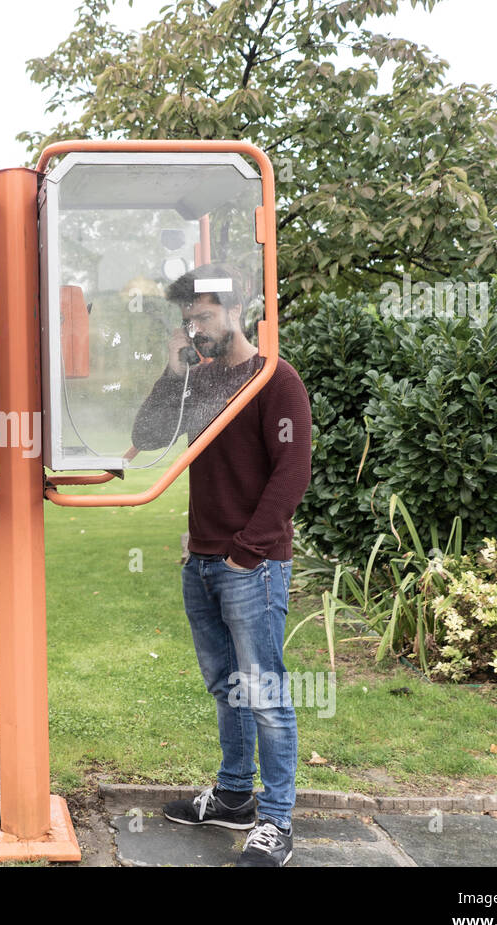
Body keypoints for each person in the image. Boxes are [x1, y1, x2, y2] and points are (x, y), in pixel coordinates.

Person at [131, 263, 311, 867]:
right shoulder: (201, 380)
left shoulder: (273, 380)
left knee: (263, 691)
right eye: (187, 319)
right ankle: (235, 795)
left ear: (237, 312)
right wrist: (172, 368)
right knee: (226, 686)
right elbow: (150, 434)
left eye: (204, 316)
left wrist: (246, 550)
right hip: (203, 561)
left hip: (250, 565)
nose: (195, 328)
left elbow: (293, 474)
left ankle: (277, 819)